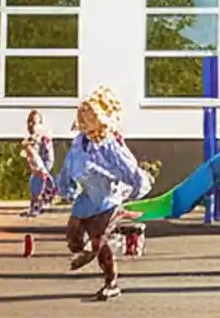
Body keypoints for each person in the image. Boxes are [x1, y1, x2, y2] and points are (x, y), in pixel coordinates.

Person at [55, 86, 153, 301]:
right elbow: (68, 166)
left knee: (98, 245)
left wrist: (135, 190)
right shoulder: (79, 144)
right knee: (73, 239)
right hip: (87, 199)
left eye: (92, 128)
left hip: (109, 199)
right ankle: (127, 232)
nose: (88, 133)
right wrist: (65, 187)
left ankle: (111, 283)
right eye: (84, 127)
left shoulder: (110, 145)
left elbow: (130, 169)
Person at [20, 109, 56, 218]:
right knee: (35, 182)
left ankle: (38, 205)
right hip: (38, 162)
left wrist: (35, 141)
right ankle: (37, 204)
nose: (33, 124)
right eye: (31, 121)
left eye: (36, 122)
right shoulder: (32, 136)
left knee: (37, 182)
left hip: (44, 161)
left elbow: (46, 149)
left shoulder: (43, 134)